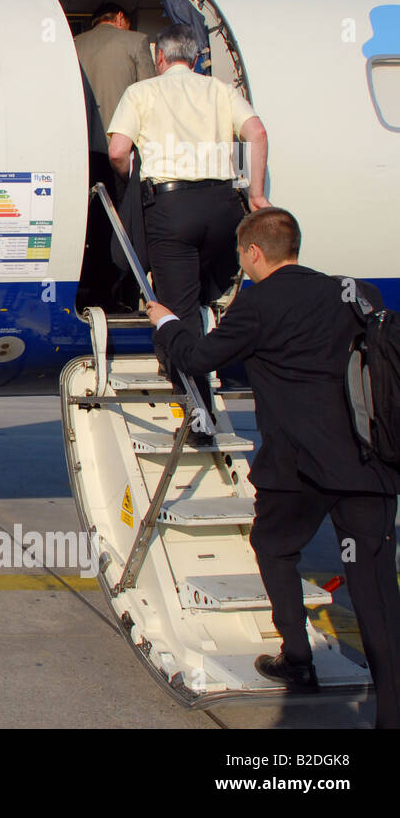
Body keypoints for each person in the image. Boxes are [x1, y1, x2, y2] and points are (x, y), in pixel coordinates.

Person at [146, 208, 400, 728]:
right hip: (370, 464)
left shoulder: (259, 303)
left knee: (275, 546)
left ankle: (298, 658)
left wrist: (166, 322)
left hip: (299, 469)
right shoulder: (351, 293)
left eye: (241, 255)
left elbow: (197, 357)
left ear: (254, 252)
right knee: (374, 592)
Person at [108, 23, 270, 423]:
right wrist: (256, 194)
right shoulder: (219, 90)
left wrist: (134, 180)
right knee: (201, 295)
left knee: (177, 307)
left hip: (171, 207)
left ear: (160, 58)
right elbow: (256, 131)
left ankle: (197, 409)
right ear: (196, 59)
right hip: (222, 207)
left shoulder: (141, 92)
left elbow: (117, 151)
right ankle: (204, 369)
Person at [75, 2, 156, 166]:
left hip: (81, 144)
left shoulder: (75, 43)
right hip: (121, 142)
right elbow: (150, 95)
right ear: (120, 18)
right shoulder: (137, 41)